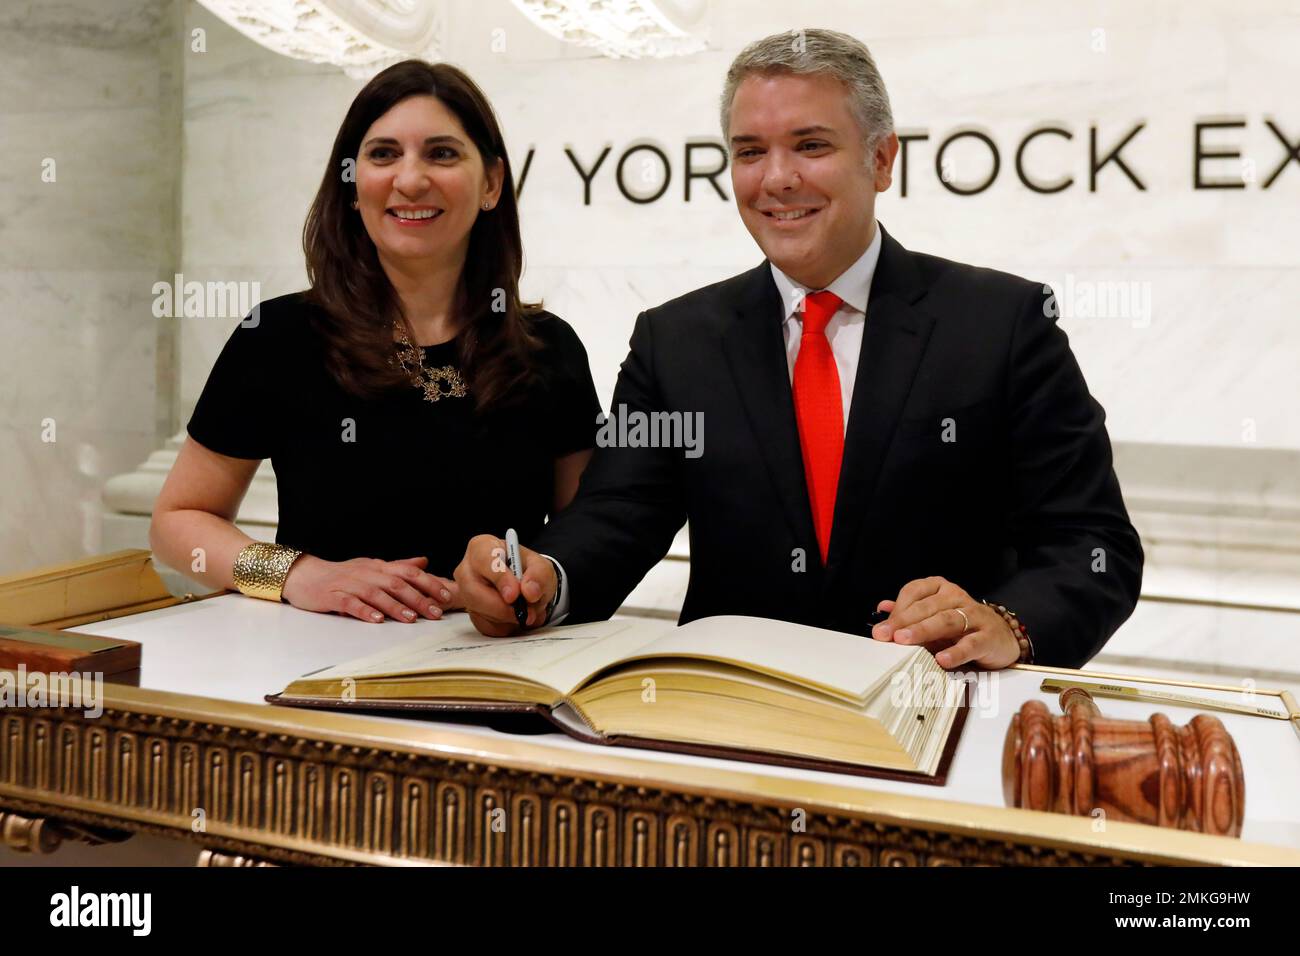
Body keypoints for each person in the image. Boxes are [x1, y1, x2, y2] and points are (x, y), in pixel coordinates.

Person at [454, 29, 1142, 670]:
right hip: (736, 729)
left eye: (810, 145)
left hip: (940, 723)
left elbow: (1091, 544)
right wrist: (543, 580)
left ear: (881, 160)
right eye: (750, 151)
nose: (776, 178)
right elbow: (616, 515)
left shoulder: (1003, 323)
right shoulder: (675, 341)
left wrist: (1008, 624)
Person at [150, 61, 599, 624]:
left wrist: (529, 588)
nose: (410, 180)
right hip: (311, 669)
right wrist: (297, 575)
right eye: (383, 154)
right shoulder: (279, 337)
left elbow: (587, 530)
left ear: (491, 184)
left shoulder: (548, 348)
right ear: (352, 184)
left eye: (441, 153)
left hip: (498, 664)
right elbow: (176, 522)